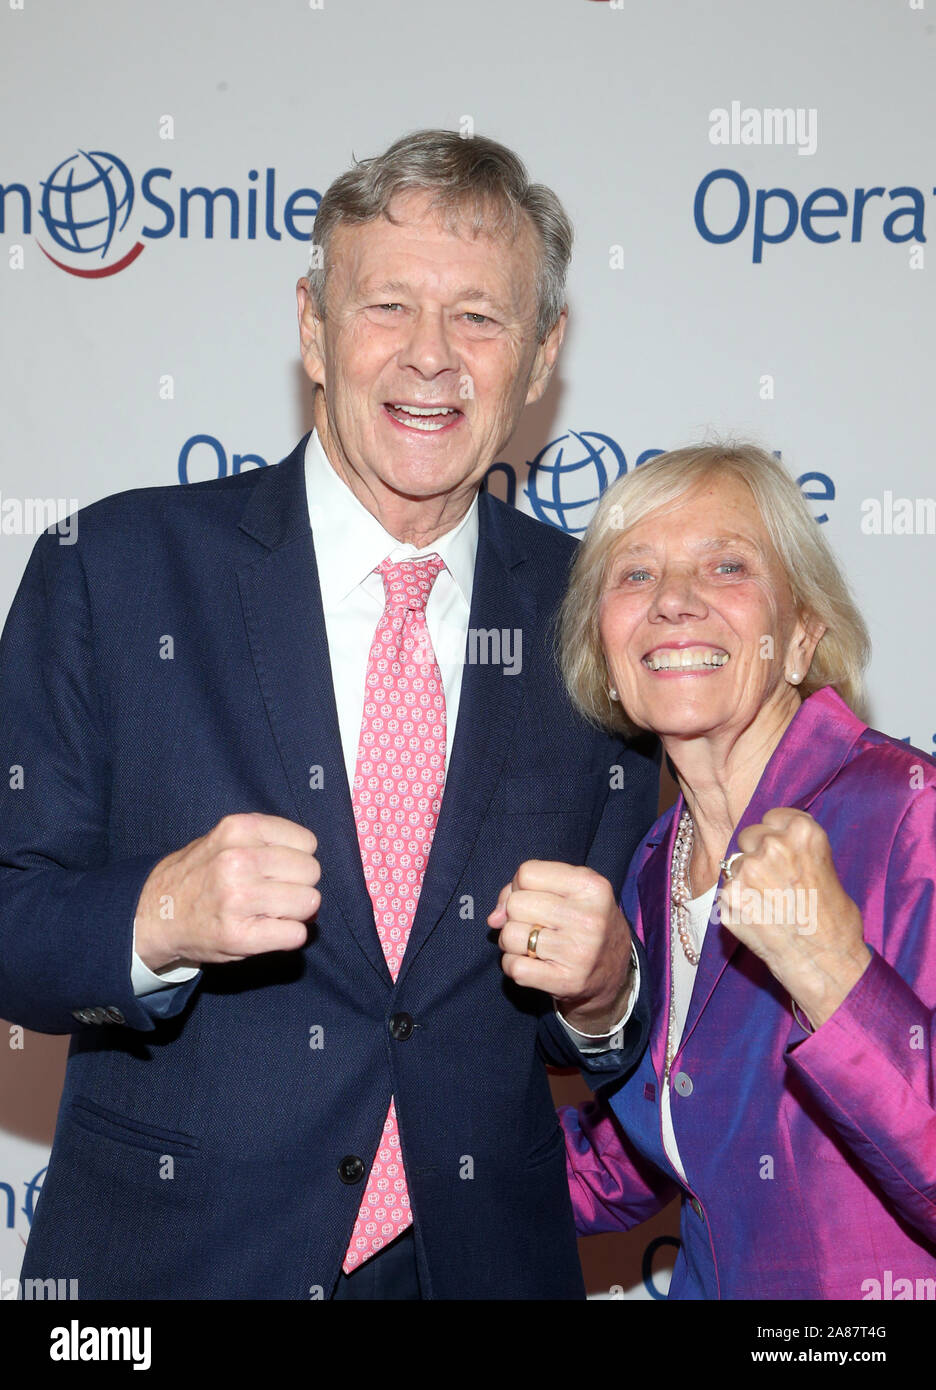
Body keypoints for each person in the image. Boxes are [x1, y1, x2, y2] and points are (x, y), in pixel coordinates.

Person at [0, 130, 659, 1300]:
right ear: (312, 326)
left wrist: (608, 990)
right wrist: (158, 912)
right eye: (387, 305)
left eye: (480, 318)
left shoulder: (602, 617)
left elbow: (588, 1018)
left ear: (542, 352)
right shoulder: (111, 566)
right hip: (175, 1273)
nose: (430, 359)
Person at [497, 441, 936, 1299]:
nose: (673, 602)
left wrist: (834, 972)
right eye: (635, 576)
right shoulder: (657, 863)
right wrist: (411, 1181)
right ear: (609, 664)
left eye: (726, 565)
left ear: (801, 635)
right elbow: (632, 1162)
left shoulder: (908, 815)